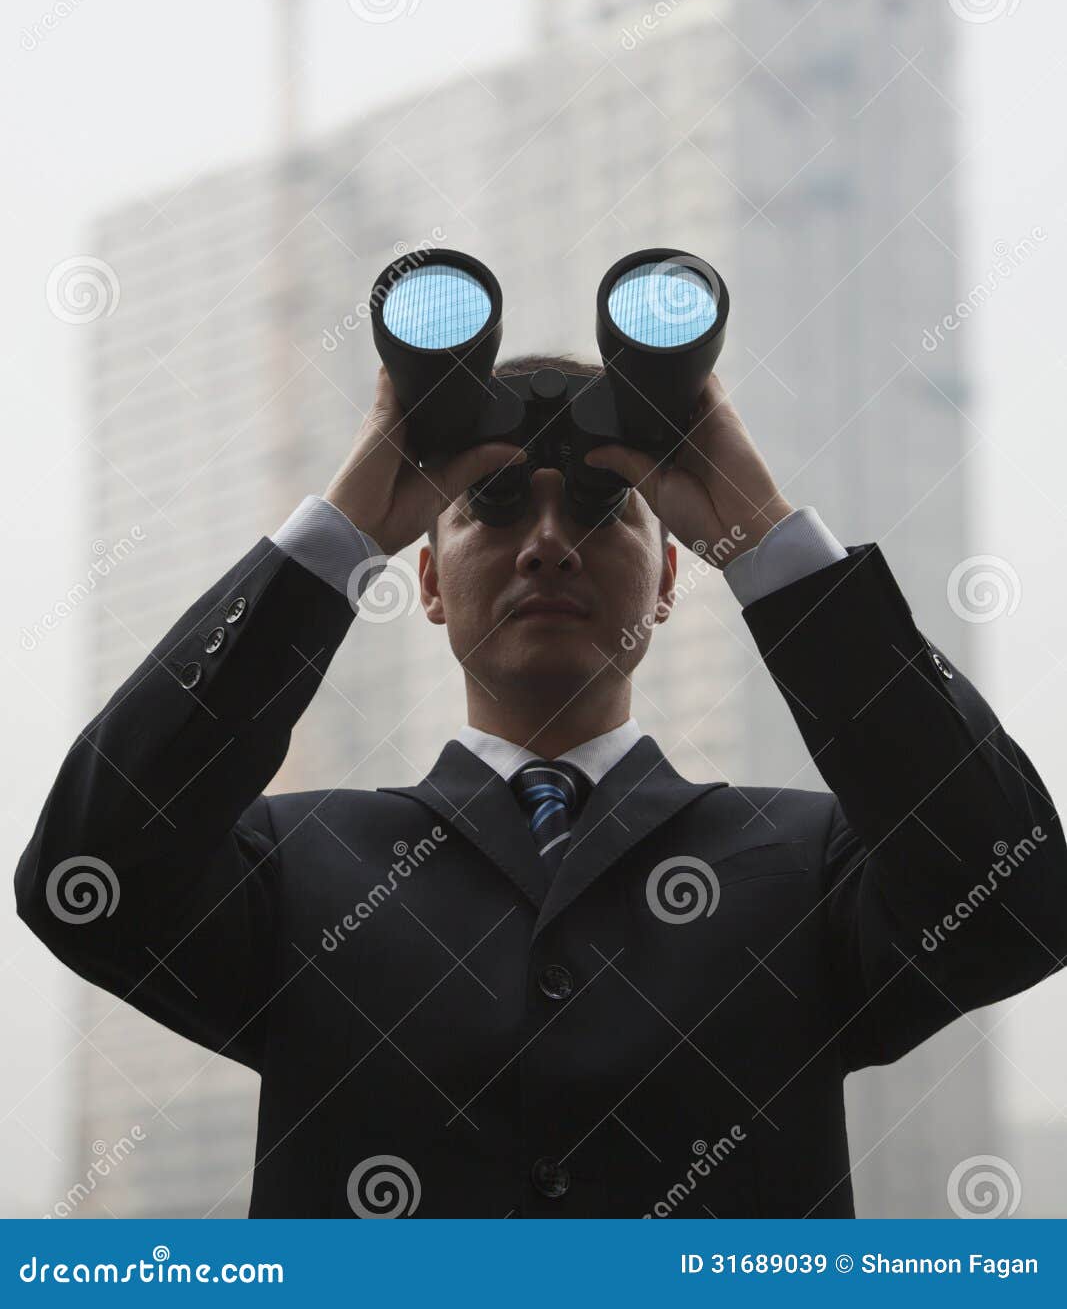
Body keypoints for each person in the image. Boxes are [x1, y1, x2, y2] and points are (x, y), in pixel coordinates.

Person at [14, 355, 1067, 1218]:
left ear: (665, 585)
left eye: (607, 511)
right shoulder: (294, 869)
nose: (550, 544)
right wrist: (340, 534)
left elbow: (1016, 898)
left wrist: (764, 537)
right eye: (494, 507)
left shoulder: (811, 865)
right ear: (423, 581)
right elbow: (89, 868)